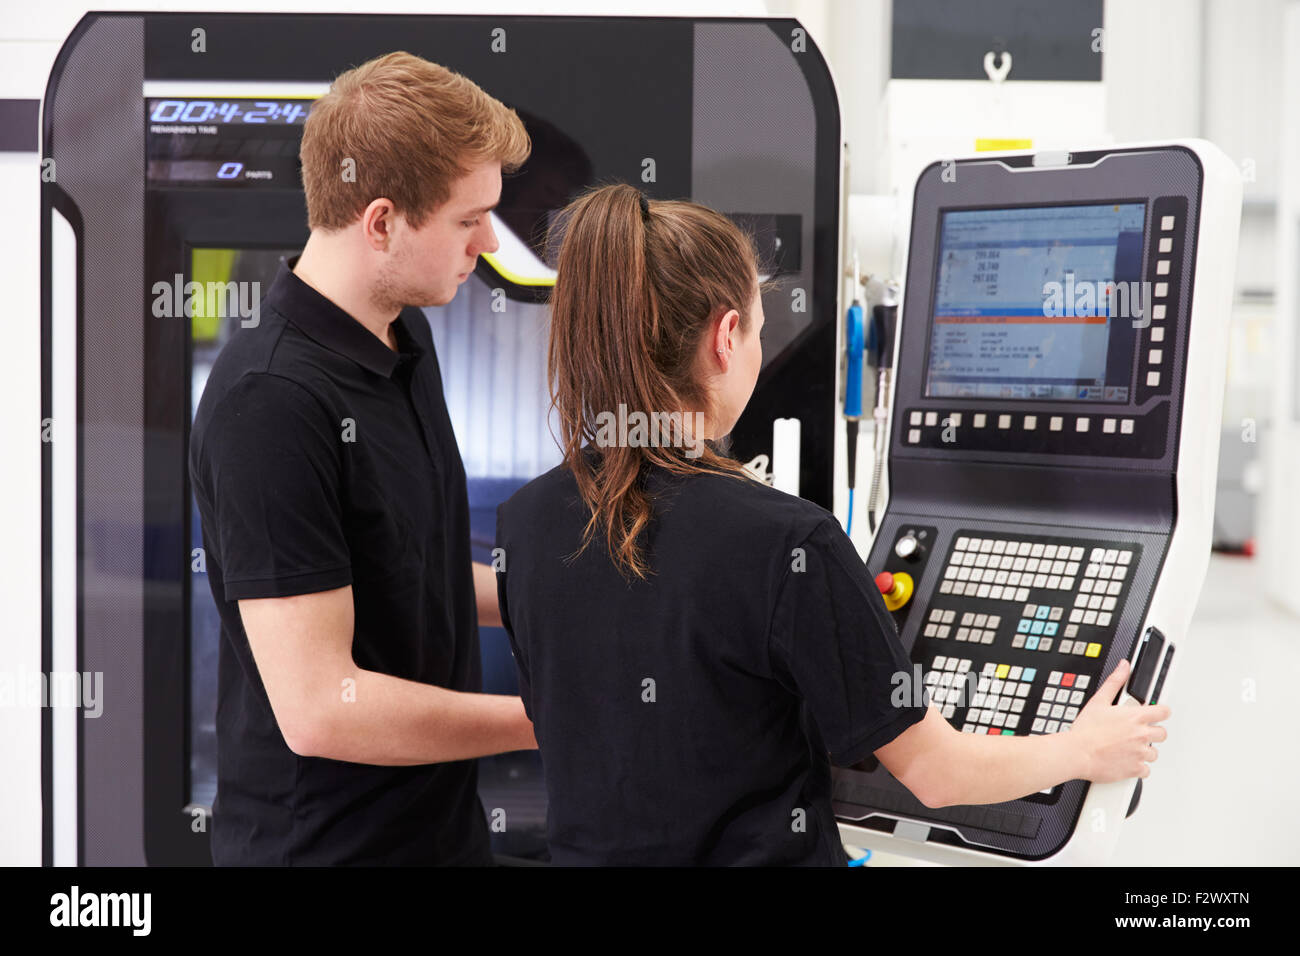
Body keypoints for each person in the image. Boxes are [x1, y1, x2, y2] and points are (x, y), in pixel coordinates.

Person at [493, 183, 1171, 866]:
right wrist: (1085, 747)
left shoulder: (524, 525)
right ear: (726, 338)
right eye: (760, 328)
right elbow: (936, 774)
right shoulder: (786, 542)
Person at [189, 51, 536, 866]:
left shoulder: (402, 339)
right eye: (467, 218)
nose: (487, 241)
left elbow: (411, 571)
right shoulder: (270, 403)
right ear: (381, 221)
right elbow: (321, 709)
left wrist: (577, 604)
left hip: (437, 832)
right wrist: (550, 718)